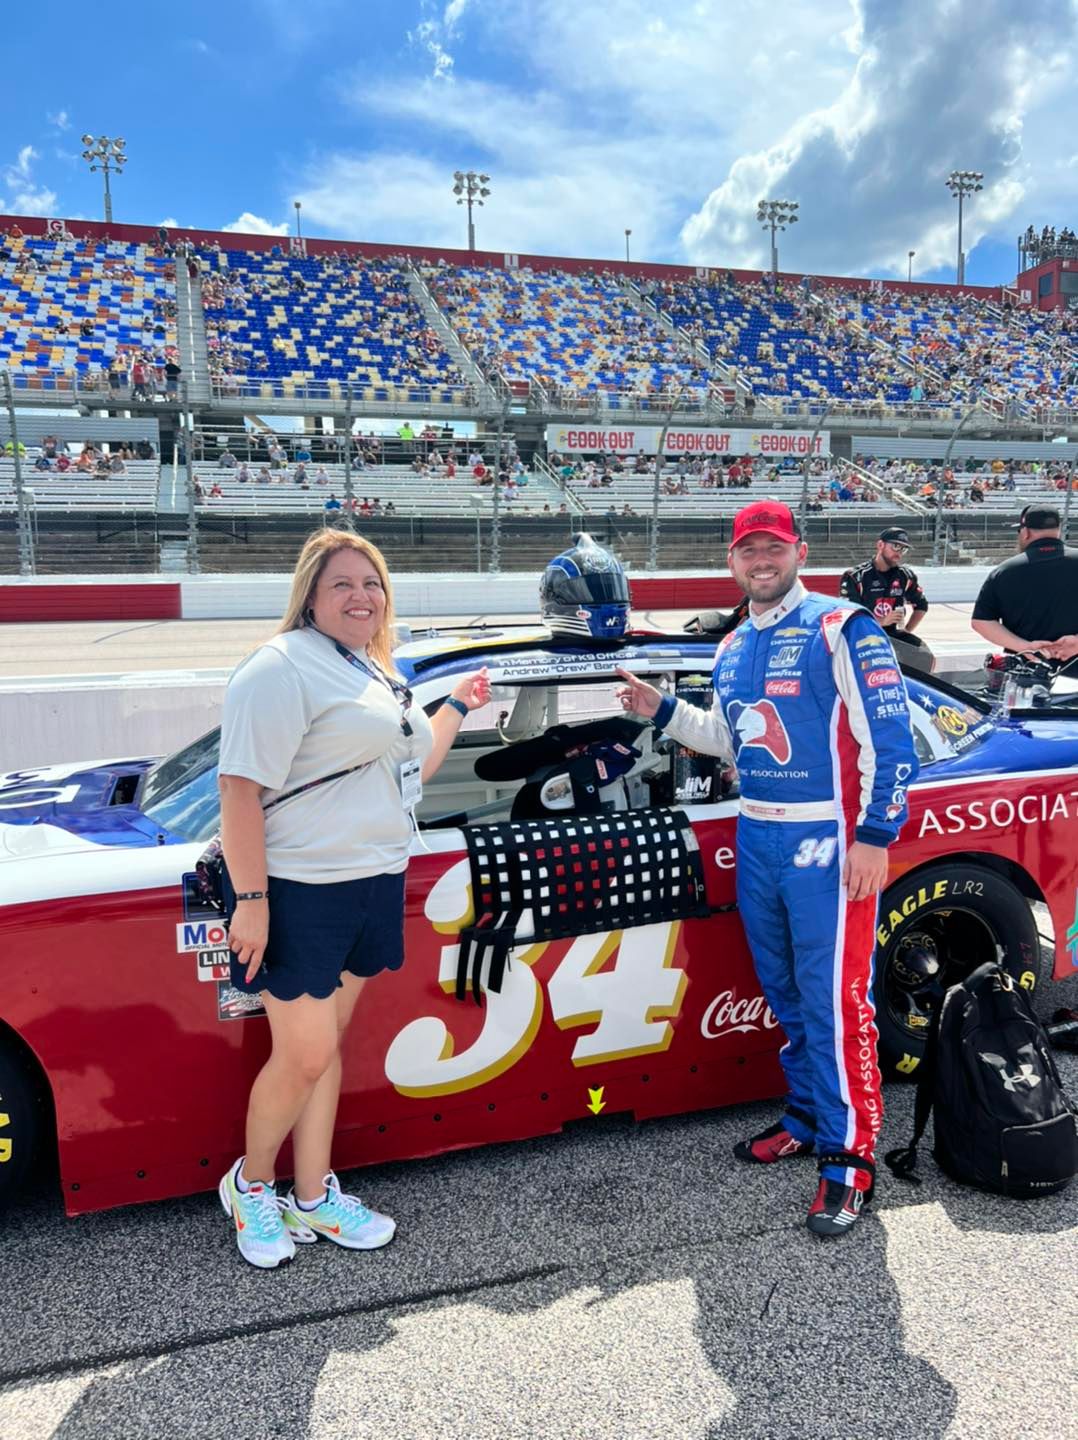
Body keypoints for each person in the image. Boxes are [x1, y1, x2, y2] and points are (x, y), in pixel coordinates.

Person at [615, 500, 918, 1237]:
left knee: (834, 1000)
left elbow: (892, 737)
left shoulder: (843, 626)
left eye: (773, 549)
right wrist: (662, 711)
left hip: (828, 842)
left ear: (798, 552)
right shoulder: (730, 648)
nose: (761, 561)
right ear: (732, 561)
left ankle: (851, 1155)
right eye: (748, 550)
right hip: (759, 838)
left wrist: (876, 835)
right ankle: (811, 1115)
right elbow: (731, 740)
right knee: (783, 991)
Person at [217, 530, 490, 1268]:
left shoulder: (370, 667)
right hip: (300, 889)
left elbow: (408, 769)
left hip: (373, 882)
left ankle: (312, 1197)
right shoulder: (281, 667)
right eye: (342, 584)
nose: (361, 597)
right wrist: (252, 899)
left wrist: (457, 707)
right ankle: (250, 1187)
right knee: (302, 1055)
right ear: (310, 594)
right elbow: (239, 789)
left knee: (325, 1052)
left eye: (372, 584)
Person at [971, 504, 1078, 664]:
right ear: (1059, 530)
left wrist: (1026, 647)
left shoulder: (1004, 571)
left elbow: (981, 622)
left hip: (1026, 671)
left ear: (1026, 532)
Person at [840, 528, 933, 671]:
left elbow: (922, 605)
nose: (899, 552)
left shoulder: (905, 576)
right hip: (862, 636)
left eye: (904, 549)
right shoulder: (856, 576)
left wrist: (907, 630)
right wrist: (882, 621)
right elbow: (848, 617)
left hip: (892, 635)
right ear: (880, 545)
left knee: (924, 655)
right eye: (896, 546)